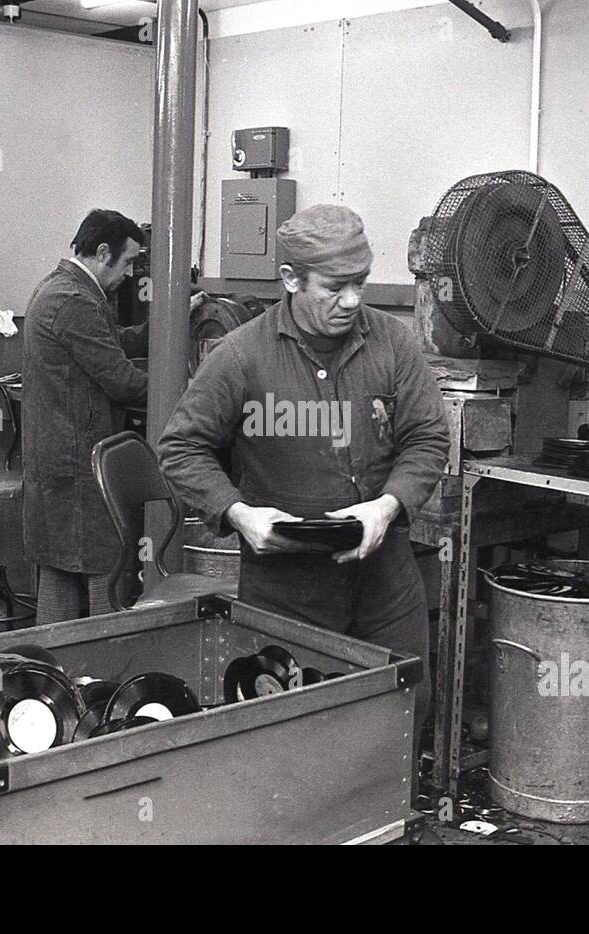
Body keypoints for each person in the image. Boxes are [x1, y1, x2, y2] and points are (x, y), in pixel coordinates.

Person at [157, 204, 449, 742]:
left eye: (360, 283)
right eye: (335, 287)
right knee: (292, 726)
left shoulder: (393, 343)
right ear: (290, 279)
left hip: (384, 573)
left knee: (403, 708)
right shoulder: (241, 356)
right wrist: (239, 514)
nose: (353, 300)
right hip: (286, 585)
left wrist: (386, 509)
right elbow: (181, 447)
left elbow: (427, 438)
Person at [22, 209, 147, 623]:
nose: (131, 274)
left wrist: (169, 319)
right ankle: (105, 669)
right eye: (129, 261)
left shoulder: (66, 288)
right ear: (103, 251)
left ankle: (55, 673)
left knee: (60, 564)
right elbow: (123, 382)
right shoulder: (73, 300)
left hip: (61, 451)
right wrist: (195, 388)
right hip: (77, 457)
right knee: (104, 562)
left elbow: (110, 341)